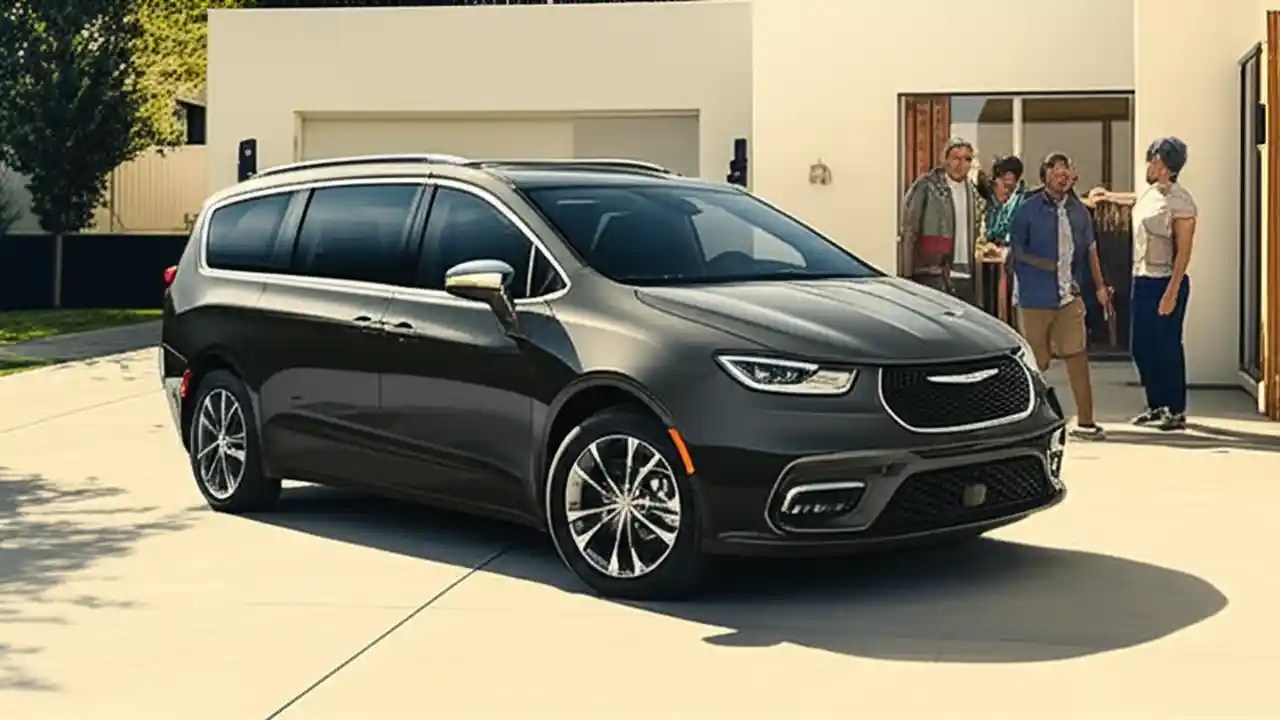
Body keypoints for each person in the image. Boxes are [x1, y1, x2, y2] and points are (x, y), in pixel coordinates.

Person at [1090, 137, 1196, 431]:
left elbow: (1184, 250)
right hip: (1142, 278)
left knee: (1167, 347)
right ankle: (1155, 404)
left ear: (1164, 165)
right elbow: (1136, 200)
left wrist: (1172, 292)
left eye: (1153, 160)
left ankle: (1174, 410)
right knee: (1140, 346)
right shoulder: (1151, 193)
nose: (1149, 164)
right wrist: (1108, 196)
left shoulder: (1182, 201)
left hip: (1165, 281)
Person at [1010, 152, 1113, 440]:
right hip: (1035, 298)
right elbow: (1014, 253)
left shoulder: (1079, 211)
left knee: (1077, 356)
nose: (1062, 173)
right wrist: (1041, 265)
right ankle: (1029, 424)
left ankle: (1087, 422)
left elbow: (1091, 250)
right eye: (1055, 169)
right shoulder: (1027, 209)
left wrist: (1100, 286)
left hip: (1070, 296)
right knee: (1036, 362)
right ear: (1045, 175)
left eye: (1066, 169)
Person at [899, 137, 981, 300]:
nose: (961, 164)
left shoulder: (972, 191)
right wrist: (906, 274)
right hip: (932, 273)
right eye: (956, 158)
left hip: (965, 273)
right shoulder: (927, 186)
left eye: (967, 159)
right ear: (946, 160)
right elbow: (909, 231)